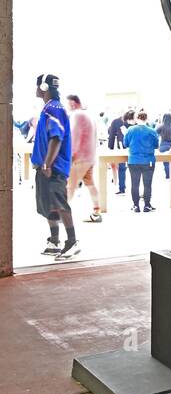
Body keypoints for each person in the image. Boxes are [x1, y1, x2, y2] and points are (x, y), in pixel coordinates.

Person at [31, 73, 80, 261]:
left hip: (53, 167)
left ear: (43, 88)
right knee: (47, 204)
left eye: (37, 86)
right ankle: (55, 240)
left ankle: (72, 242)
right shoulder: (49, 108)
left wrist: (47, 163)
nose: (35, 89)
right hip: (46, 166)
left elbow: (56, 137)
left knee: (59, 204)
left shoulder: (54, 109)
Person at [65, 94, 102, 223]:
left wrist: (71, 155)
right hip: (90, 156)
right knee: (90, 184)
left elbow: (74, 136)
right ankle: (97, 212)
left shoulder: (77, 115)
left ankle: (61, 214)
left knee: (71, 186)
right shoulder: (89, 115)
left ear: (73, 103)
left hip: (80, 157)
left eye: (68, 104)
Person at [124, 110, 160, 213]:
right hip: (148, 160)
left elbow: (125, 144)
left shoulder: (130, 130)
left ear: (137, 119)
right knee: (147, 184)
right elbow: (156, 145)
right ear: (146, 119)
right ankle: (147, 205)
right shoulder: (152, 131)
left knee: (134, 184)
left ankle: (136, 206)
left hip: (133, 160)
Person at [108, 109, 134, 194]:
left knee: (122, 168)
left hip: (121, 147)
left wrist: (110, 148)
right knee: (135, 168)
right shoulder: (134, 121)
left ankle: (122, 188)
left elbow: (111, 136)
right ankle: (135, 189)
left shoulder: (115, 121)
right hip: (133, 147)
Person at [158, 110, 171, 179]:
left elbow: (155, 133)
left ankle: (168, 175)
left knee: (166, 162)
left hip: (163, 146)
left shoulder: (161, 126)